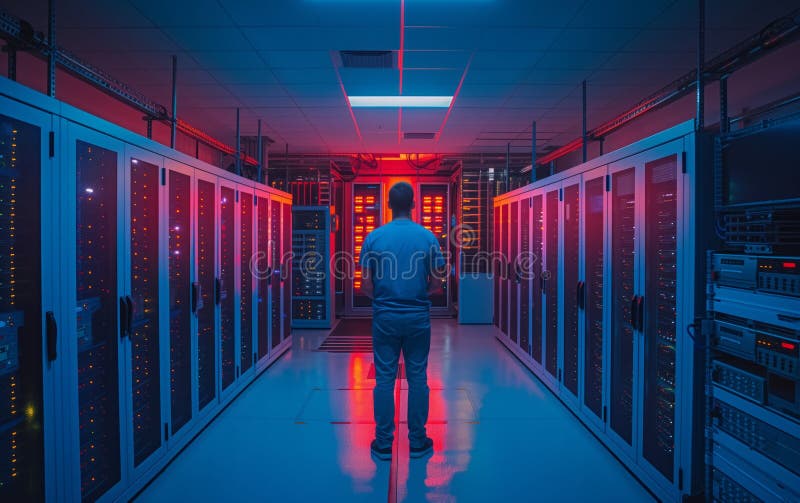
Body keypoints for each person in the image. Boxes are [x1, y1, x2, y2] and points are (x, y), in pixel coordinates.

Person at [359, 182, 446, 461]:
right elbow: (437, 282)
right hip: (418, 317)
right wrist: (419, 291)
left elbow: (365, 285)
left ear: (388, 205)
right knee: (418, 377)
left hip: (385, 316)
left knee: (384, 379)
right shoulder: (428, 238)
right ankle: (418, 442)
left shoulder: (374, 238)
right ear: (413, 205)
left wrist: (384, 296)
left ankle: (383, 444)